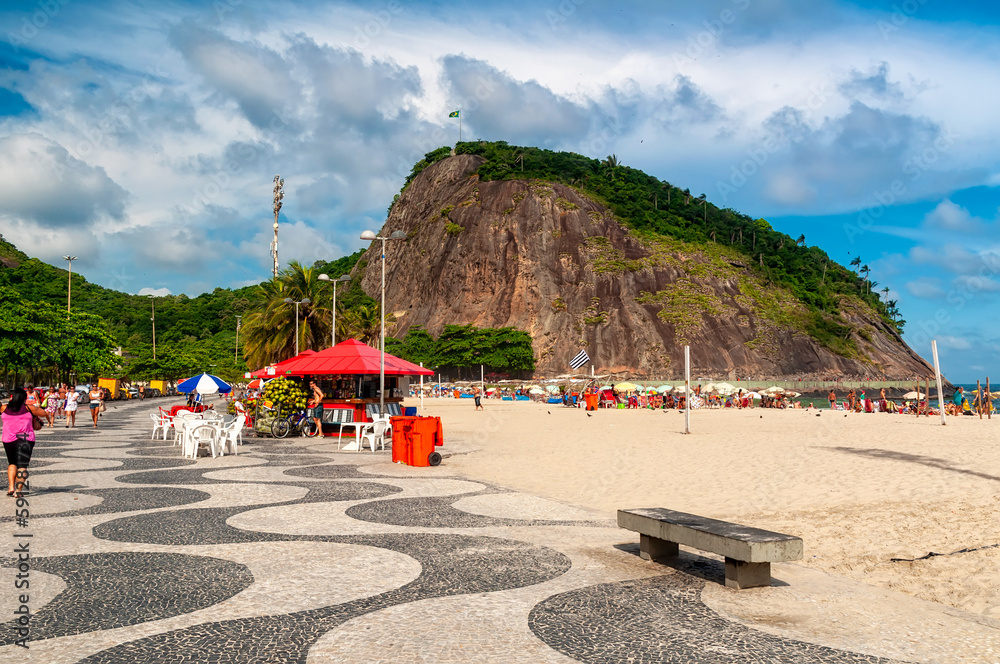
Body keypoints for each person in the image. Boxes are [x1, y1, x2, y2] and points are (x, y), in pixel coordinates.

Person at [2, 387, 47, 497]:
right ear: (24, 398)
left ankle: (11, 487)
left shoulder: (4, 408)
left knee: (12, 463)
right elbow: (44, 413)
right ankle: (18, 491)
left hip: (8, 439)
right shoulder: (29, 408)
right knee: (22, 466)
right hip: (25, 439)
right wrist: (34, 414)